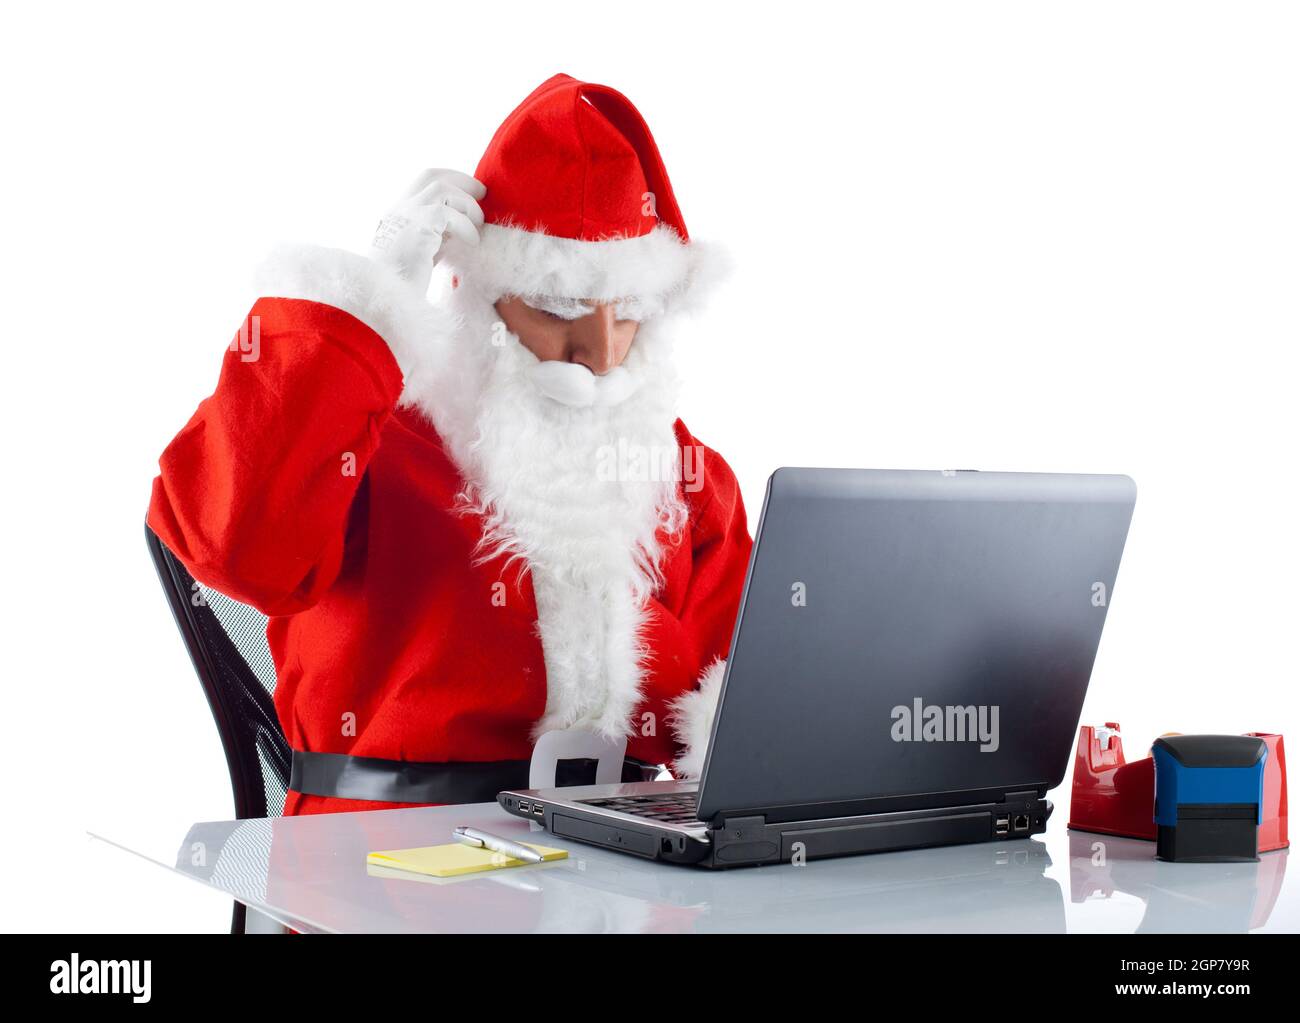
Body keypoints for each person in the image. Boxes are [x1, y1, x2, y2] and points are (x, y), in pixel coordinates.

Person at [147, 73, 752, 815]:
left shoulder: (682, 476)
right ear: (477, 293)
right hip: (381, 869)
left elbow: (748, 706)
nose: (599, 351)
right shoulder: (363, 428)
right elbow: (234, 544)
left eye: (627, 310)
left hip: (618, 863)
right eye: (557, 305)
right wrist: (364, 308)